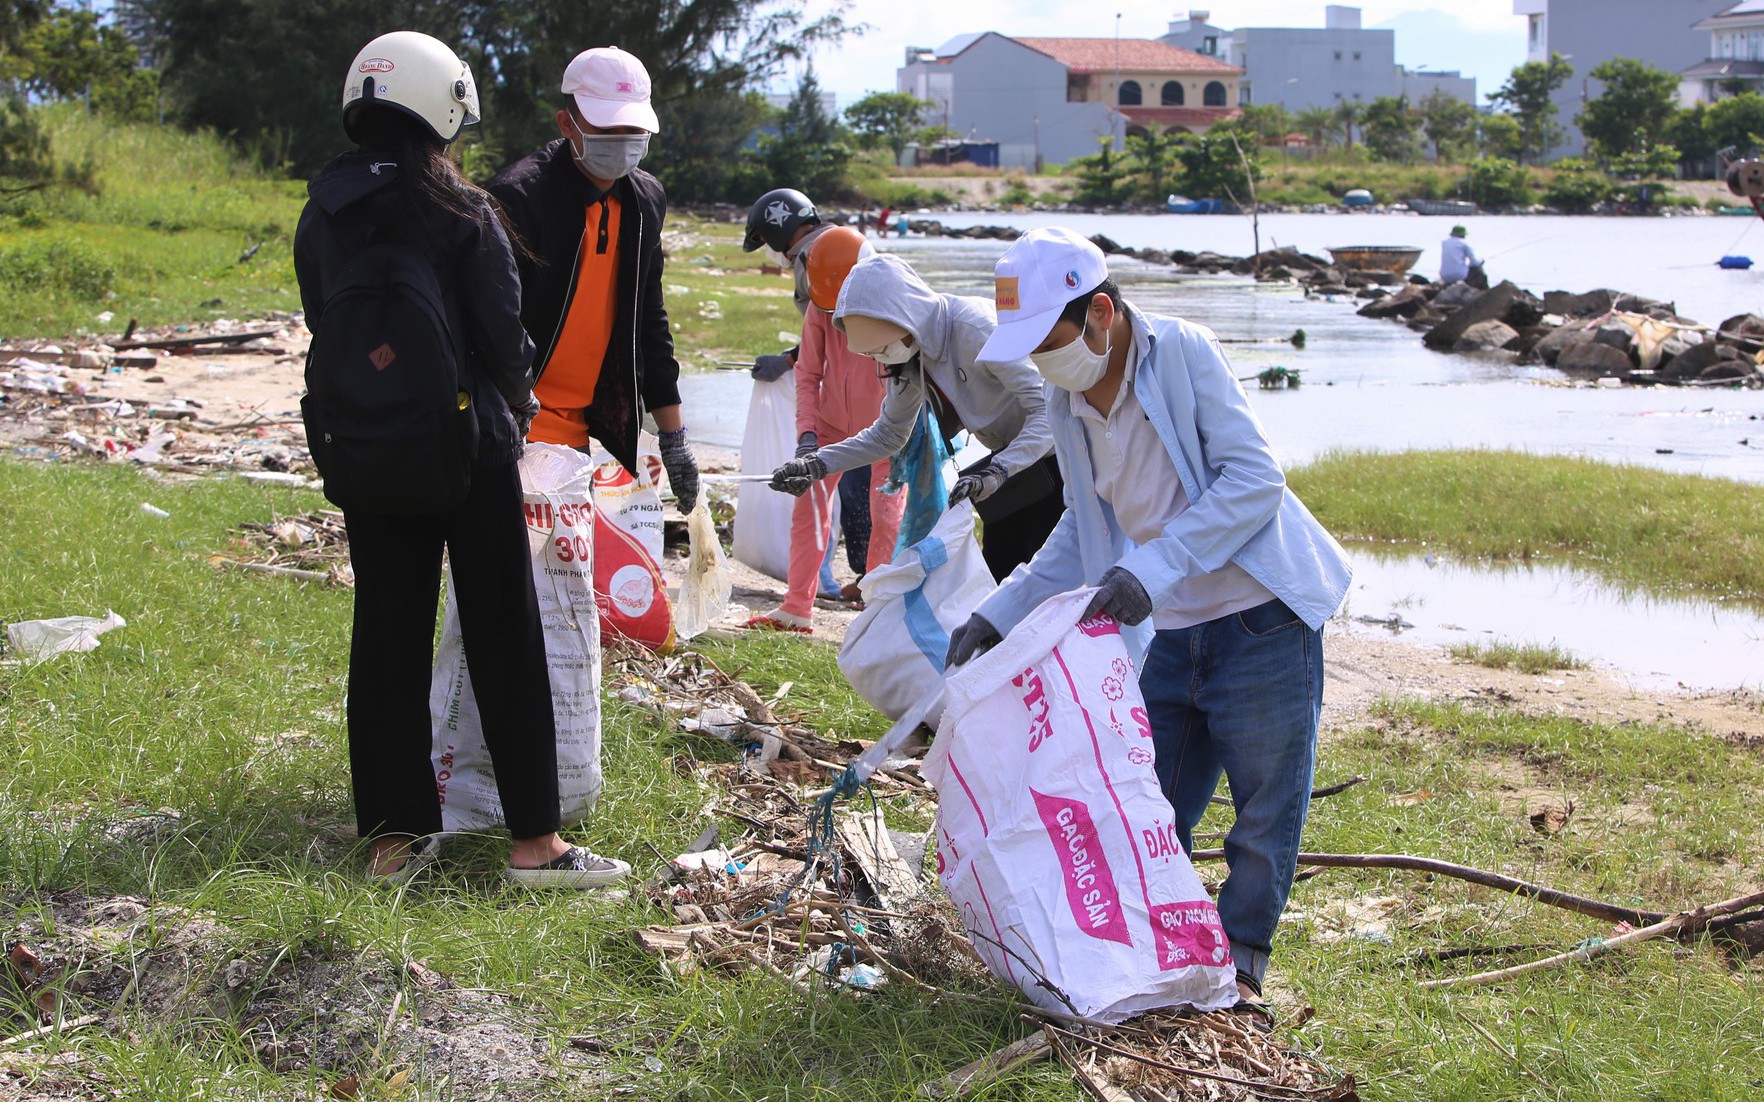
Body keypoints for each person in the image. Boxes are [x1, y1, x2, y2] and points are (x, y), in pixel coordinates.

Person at [944, 227, 1352, 1026]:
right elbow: (1080, 526)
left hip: (1260, 619)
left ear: (1100, 312)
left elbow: (1253, 479)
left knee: (1265, 811)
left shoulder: (1183, 354)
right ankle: (1153, 955)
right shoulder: (1068, 400)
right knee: (1149, 805)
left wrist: (1152, 569)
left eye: (1049, 342)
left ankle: (1241, 974)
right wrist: (998, 613)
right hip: (1172, 631)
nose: (1042, 364)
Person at [295, 30, 624, 887]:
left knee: (386, 641)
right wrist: (513, 415)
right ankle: (535, 846)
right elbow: (505, 345)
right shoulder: (463, 208)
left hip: (365, 453)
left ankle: (393, 845)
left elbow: (318, 322)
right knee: (504, 637)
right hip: (466, 453)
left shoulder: (322, 209)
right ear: (443, 104)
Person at [487, 46, 698, 512]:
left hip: (585, 427)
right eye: (608, 128)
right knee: (516, 578)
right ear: (568, 125)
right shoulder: (517, 198)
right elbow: (491, 324)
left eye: (633, 129)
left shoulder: (645, 201)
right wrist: (507, 416)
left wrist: (673, 434)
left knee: (571, 577)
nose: (623, 141)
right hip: (517, 423)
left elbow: (649, 319)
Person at [769, 251, 1058, 581]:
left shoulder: (975, 328)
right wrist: (816, 464)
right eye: (871, 352)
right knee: (998, 577)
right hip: (1011, 467)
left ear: (905, 316)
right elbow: (889, 434)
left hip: (1057, 459)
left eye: (882, 346)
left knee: (1040, 580)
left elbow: (1047, 410)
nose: (879, 356)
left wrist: (997, 470)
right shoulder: (907, 357)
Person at [740, 210, 903, 633]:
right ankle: (796, 609)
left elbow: (912, 374)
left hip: (890, 423)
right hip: (830, 423)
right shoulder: (819, 304)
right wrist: (806, 437)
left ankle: (877, 610)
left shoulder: (894, 300)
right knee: (808, 506)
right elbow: (809, 374)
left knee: (887, 511)